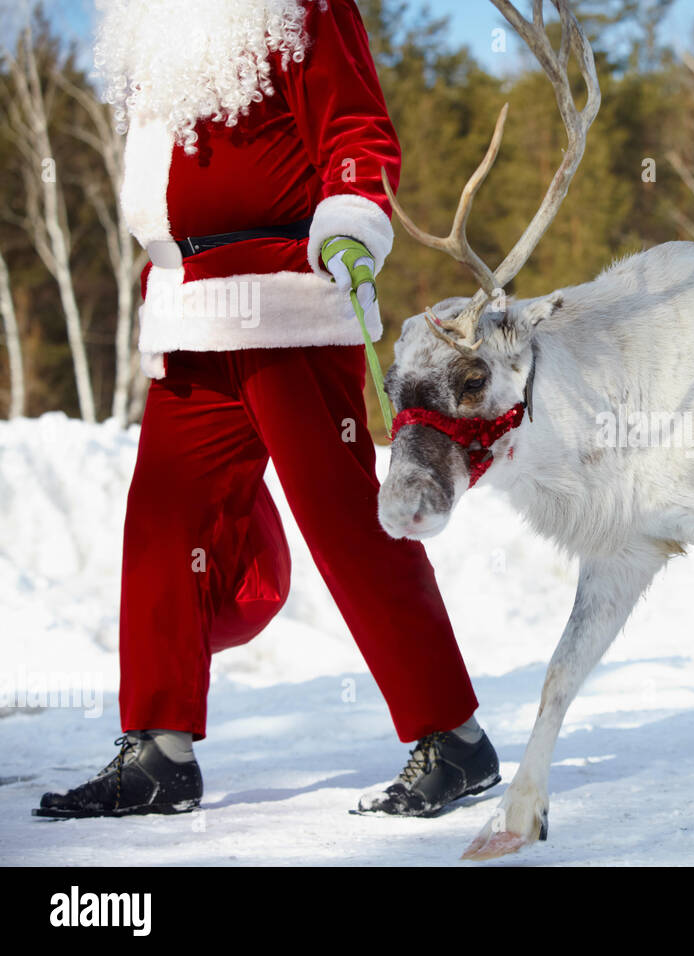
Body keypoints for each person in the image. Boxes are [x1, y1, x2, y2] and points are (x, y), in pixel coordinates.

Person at [34, 0, 498, 819]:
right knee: (164, 530)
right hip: (188, 309)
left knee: (348, 521)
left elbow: (358, 130)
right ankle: (158, 751)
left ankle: (455, 740)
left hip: (287, 298)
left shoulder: (304, 7)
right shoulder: (155, 22)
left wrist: (353, 224)